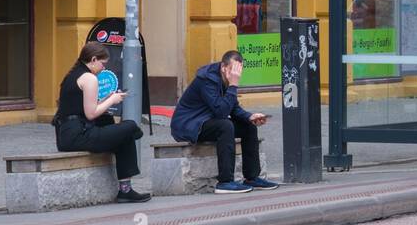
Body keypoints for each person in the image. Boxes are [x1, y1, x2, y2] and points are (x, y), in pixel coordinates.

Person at [52, 41, 150, 202]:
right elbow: (91, 114)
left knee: (122, 133)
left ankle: (126, 190)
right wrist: (113, 101)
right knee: (130, 126)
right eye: (103, 63)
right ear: (93, 59)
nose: (104, 68)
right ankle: (125, 189)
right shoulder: (89, 78)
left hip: (67, 135)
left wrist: (107, 98)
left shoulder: (74, 74)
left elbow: (82, 109)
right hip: (79, 135)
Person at [171, 50, 278, 194]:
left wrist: (249, 117)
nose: (236, 74)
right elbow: (221, 111)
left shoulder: (226, 80)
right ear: (223, 67)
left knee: (248, 127)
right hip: (189, 125)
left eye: (238, 71)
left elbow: (233, 108)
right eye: (232, 70)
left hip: (206, 121)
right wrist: (233, 85)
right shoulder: (206, 79)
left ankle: (252, 177)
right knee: (225, 126)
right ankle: (225, 182)